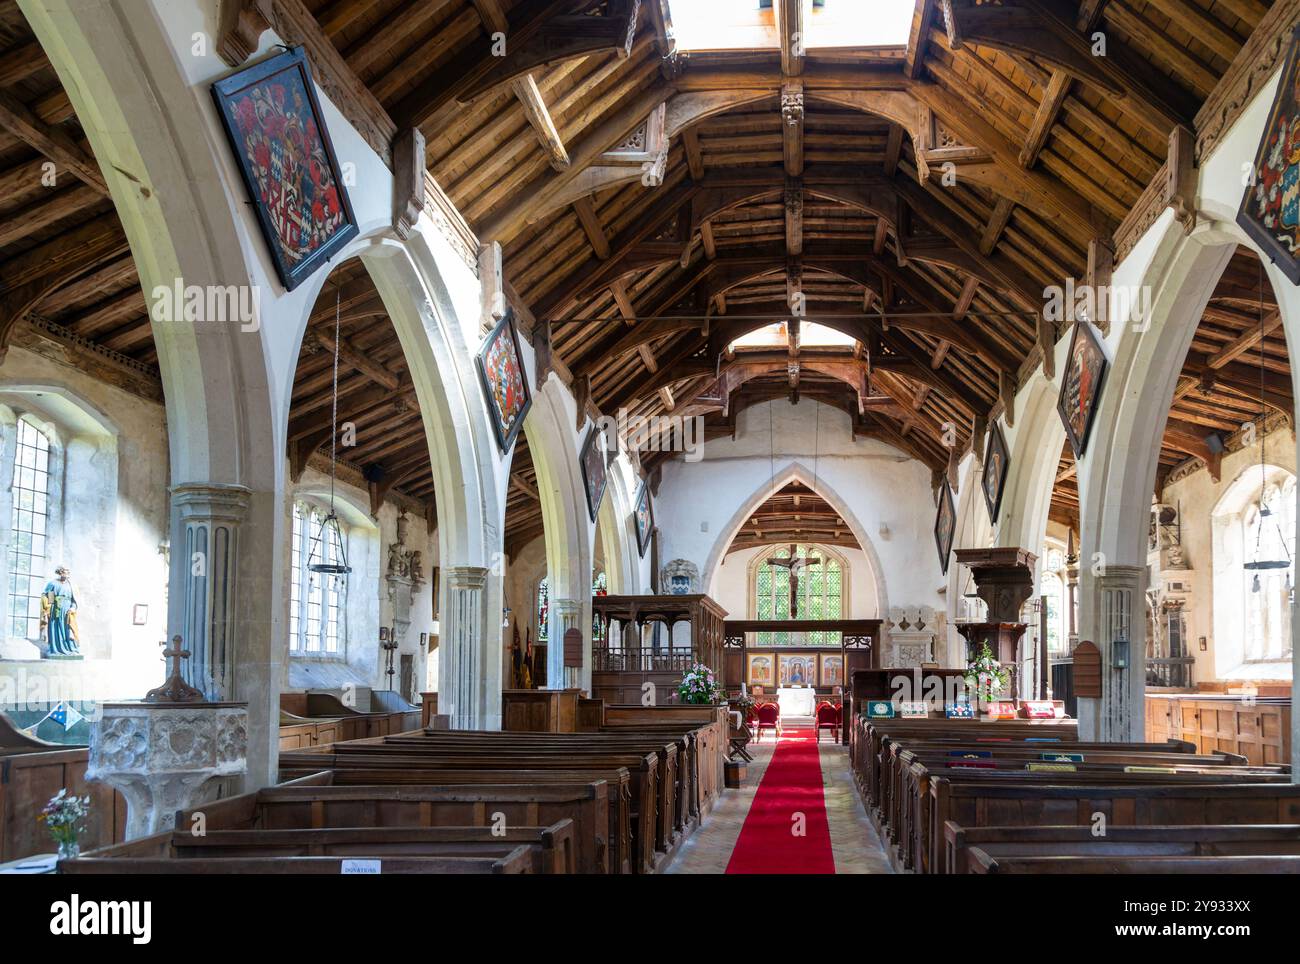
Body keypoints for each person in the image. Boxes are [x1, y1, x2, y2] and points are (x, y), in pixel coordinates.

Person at [41, 566, 82, 658]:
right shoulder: (53, 583)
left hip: (67, 610)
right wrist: (50, 606)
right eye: (64, 572)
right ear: (60, 572)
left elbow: (74, 599)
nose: (66, 574)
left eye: (68, 572)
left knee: (68, 629)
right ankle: (56, 648)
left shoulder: (72, 585)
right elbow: (48, 595)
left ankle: (69, 648)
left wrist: (73, 608)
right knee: (56, 628)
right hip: (56, 608)